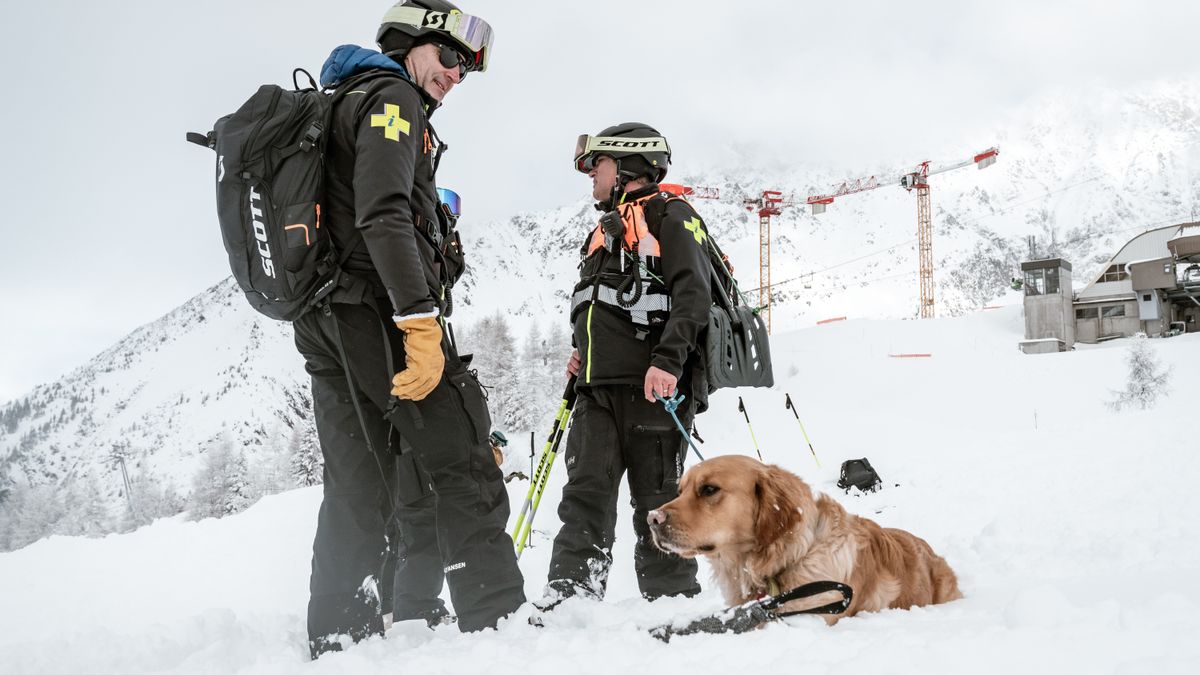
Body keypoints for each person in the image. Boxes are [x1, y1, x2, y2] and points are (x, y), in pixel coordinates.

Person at [292, 1, 524, 658]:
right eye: (449, 57)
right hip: (377, 312)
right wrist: (420, 324)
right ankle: (500, 624)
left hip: (325, 317)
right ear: (410, 43)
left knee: (358, 480)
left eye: (467, 69)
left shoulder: (346, 99)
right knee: (465, 455)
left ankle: (341, 640)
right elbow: (385, 215)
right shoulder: (393, 98)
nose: (456, 74)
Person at [539, 123, 712, 611]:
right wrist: (583, 353)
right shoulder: (604, 230)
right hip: (595, 389)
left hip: (653, 389)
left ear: (628, 166)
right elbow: (599, 306)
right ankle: (570, 600)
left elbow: (692, 297)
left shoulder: (671, 215)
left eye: (599, 165)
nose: (592, 176)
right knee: (583, 498)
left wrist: (668, 361)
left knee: (658, 505)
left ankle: (672, 600)